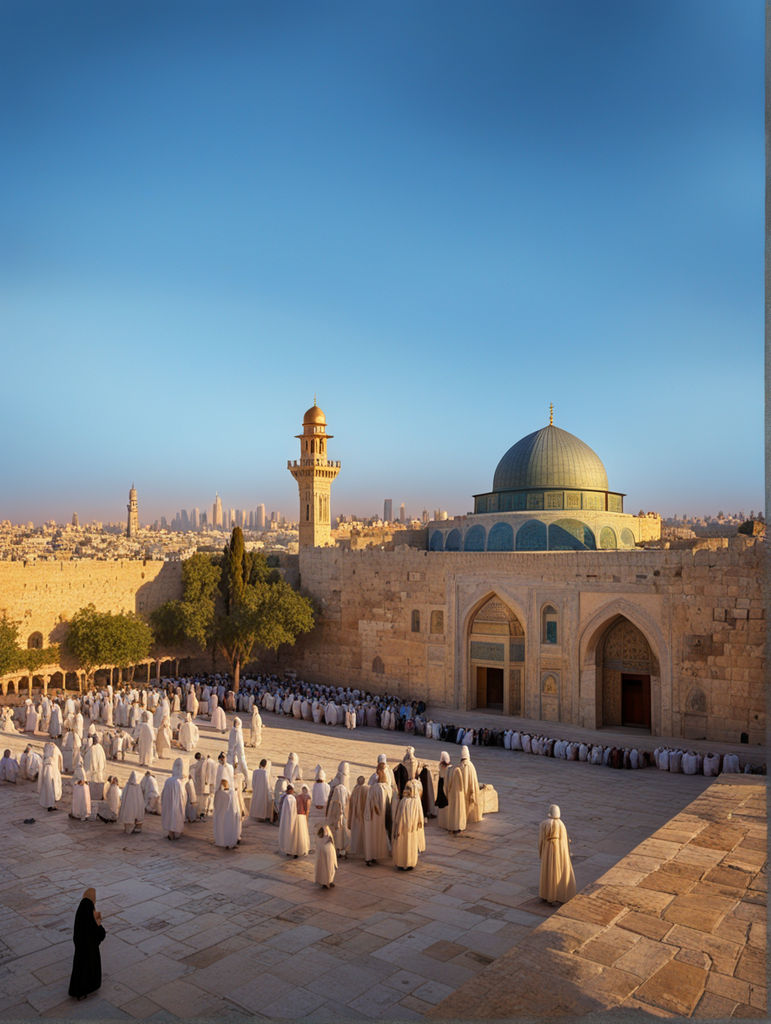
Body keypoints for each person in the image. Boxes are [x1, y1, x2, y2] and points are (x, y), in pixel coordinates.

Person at [68, 888, 106, 1000]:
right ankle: (86, 989)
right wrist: (99, 923)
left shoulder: (81, 910)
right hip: (90, 949)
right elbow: (100, 934)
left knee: (79, 969)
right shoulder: (90, 912)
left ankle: (77, 991)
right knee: (89, 969)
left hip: (80, 948)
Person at [538, 804, 576, 905]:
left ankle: (547, 894)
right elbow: (565, 842)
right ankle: (558, 894)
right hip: (560, 851)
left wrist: (541, 852)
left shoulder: (544, 824)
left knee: (548, 870)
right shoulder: (562, 825)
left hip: (548, 850)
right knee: (559, 870)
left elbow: (541, 840)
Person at [391, 780, 426, 870]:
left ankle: (401, 863)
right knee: (410, 846)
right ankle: (410, 863)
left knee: (402, 846)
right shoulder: (416, 802)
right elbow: (420, 817)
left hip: (402, 829)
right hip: (412, 830)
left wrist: (397, 829)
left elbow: (398, 817)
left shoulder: (403, 801)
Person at [363, 764, 392, 866]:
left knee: (372, 837)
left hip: (373, 818)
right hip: (378, 818)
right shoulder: (386, 788)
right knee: (376, 837)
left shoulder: (374, 788)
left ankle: (371, 857)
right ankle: (372, 857)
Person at [213, 778, 241, 849]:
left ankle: (221, 841)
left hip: (219, 815)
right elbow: (234, 806)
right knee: (228, 829)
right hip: (229, 815)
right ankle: (229, 842)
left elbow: (215, 805)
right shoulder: (231, 793)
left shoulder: (218, 793)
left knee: (221, 829)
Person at [348, 774, 368, 857]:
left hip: (355, 816)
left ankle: (356, 848)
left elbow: (351, 803)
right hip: (363, 815)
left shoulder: (355, 790)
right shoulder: (366, 789)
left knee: (356, 832)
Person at [436, 752, 451, 830]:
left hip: (442, 784)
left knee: (443, 803)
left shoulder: (442, 766)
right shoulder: (449, 767)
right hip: (444, 784)